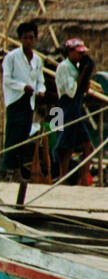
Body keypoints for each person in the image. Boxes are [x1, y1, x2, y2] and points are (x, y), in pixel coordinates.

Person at [1, 21, 45, 181]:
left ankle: (15, 171)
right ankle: (11, 171)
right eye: (25, 38)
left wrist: (41, 91)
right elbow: (7, 79)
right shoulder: (11, 57)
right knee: (13, 135)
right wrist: (22, 86)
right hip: (15, 100)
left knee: (24, 135)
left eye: (31, 38)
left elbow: (40, 80)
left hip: (29, 101)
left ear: (35, 39)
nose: (29, 41)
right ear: (20, 39)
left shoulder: (38, 60)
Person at [54, 39, 96, 184]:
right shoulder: (64, 67)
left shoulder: (76, 67)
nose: (80, 56)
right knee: (66, 146)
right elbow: (71, 91)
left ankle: (83, 177)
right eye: (78, 53)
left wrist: (86, 75)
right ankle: (62, 178)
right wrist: (83, 73)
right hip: (67, 108)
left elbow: (82, 90)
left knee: (88, 146)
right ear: (70, 52)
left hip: (76, 107)